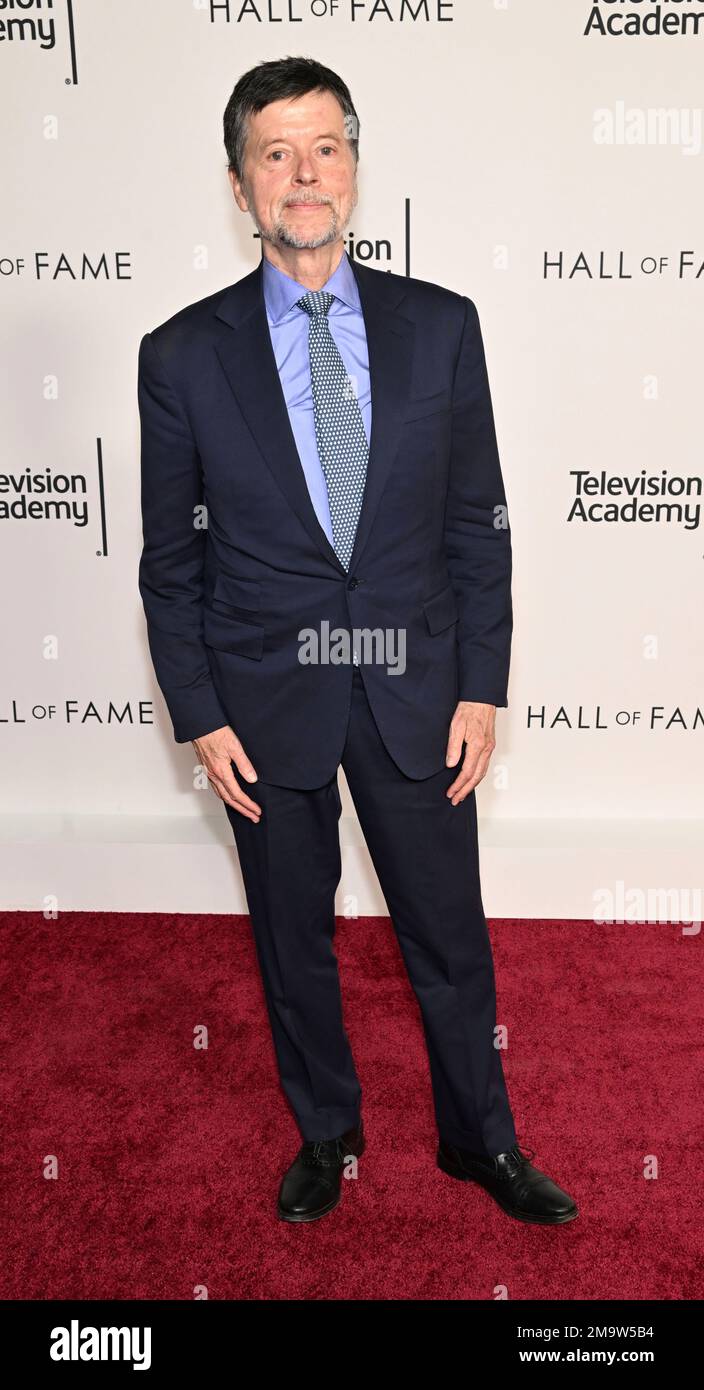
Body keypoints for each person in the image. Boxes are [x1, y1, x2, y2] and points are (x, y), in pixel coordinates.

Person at [137, 55, 578, 1227]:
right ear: (238, 185)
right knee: (293, 942)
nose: (302, 174)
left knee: (450, 937)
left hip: (416, 690)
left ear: (354, 164)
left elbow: (478, 527)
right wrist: (201, 713)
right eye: (273, 153)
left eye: (323, 146)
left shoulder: (442, 328)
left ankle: (478, 1141)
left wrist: (480, 685)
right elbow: (170, 561)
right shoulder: (179, 356)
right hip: (261, 703)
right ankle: (326, 1133)